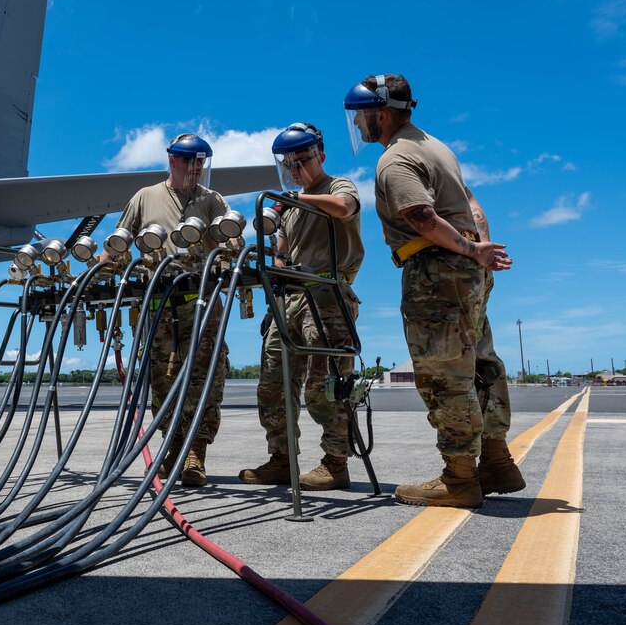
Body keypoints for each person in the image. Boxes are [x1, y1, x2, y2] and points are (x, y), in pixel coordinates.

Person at [344, 74, 524, 507]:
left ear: (381, 114)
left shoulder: (397, 158)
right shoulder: (436, 146)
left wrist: (469, 250)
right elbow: (472, 203)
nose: (360, 124)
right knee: (481, 365)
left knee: (444, 374)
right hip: (465, 273)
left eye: (363, 115)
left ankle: (459, 479)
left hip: (435, 273)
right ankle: (496, 462)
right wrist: (478, 254)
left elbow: (421, 216)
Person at [238, 123, 365, 490]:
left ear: (320, 156)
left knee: (326, 385)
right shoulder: (287, 211)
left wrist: (296, 198)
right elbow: (282, 251)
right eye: (289, 164)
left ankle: (335, 463)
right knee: (273, 385)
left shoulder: (336, 187)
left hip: (327, 296)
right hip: (290, 299)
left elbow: (344, 208)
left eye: (302, 160)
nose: (295, 170)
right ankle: (281, 459)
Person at [106, 133, 232, 487]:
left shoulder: (211, 200)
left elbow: (231, 241)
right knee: (161, 379)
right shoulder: (144, 198)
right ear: (172, 161)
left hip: (201, 303)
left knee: (204, 378)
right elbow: (118, 242)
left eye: (201, 164)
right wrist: (97, 271)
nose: (197, 170)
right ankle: (171, 447)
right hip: (158, 305)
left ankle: (195, 453)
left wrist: (229, 242)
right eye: (191, 163)